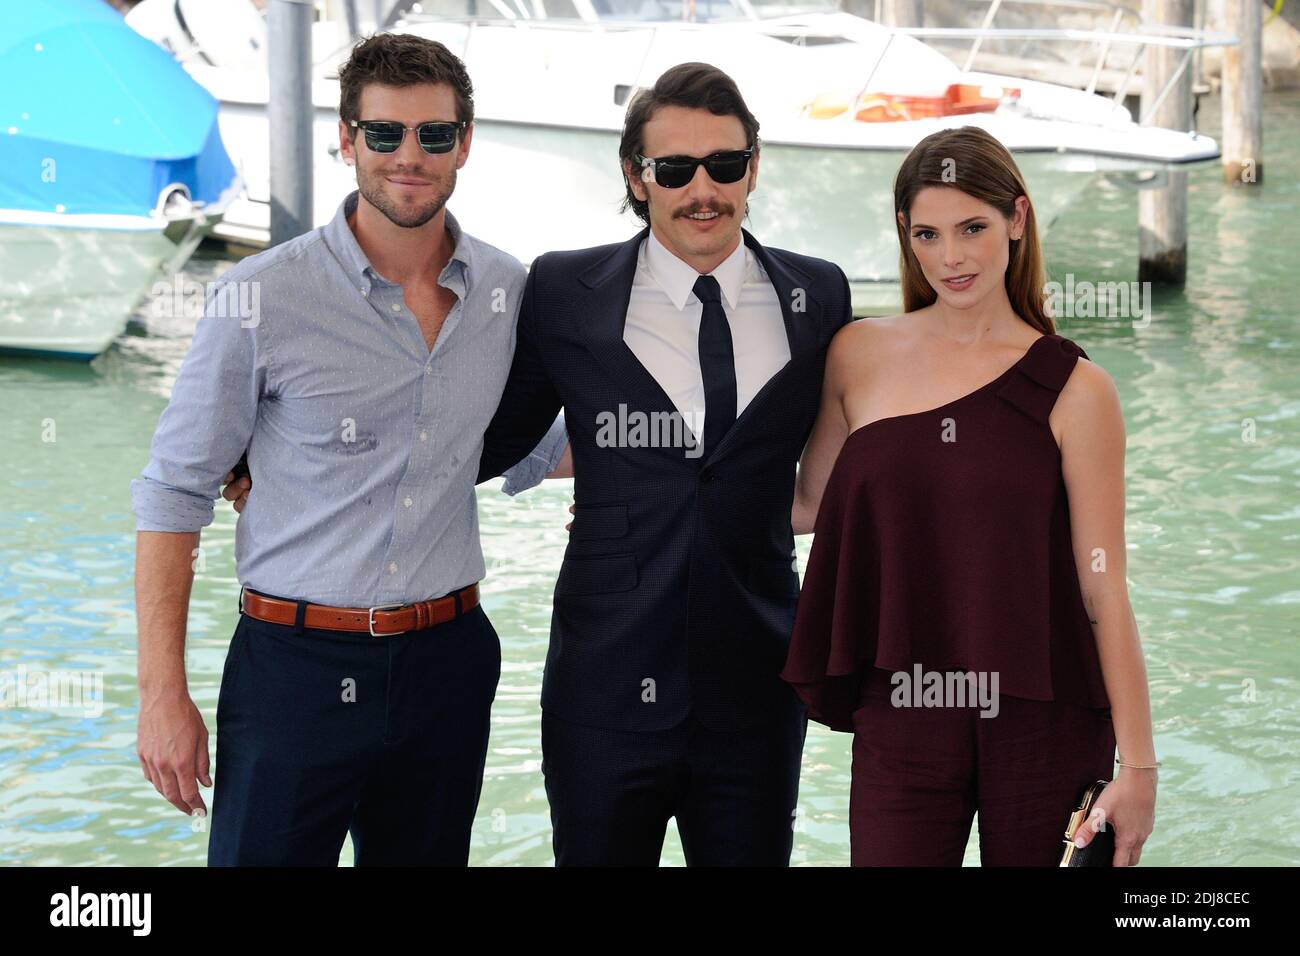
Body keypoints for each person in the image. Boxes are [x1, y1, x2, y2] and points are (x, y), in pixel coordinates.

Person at [132, 33, 566, 866]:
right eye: (385, 134)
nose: (411, 156)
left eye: (435, 135)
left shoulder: (509, 291)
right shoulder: (259, 295)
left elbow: (510, 441)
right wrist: (163, 695)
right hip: (292, 668)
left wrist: (672, 459)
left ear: (464, 144)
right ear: (347, 139)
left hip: (449, 663)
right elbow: (174, 492)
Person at [472, 62, 853, 865]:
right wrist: (292, 457)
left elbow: (864, 446)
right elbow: (486, 434)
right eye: (673, 169)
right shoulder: (566, 288)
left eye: (724, 163)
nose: (702, 189)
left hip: (755, 691)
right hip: (603, 693)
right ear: (636, 177)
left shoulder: (818, 296)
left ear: (754, 165)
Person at [782, 125, 1158, 866]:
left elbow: (1103, 585)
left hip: (1045, 713)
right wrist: (640, 496)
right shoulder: (857, 354)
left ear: (1017, 220)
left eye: (973, 228)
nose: (950, 257)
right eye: (928, 232)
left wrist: (1140, 768)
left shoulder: (1079, 390)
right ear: (904, 233)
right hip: (904, 707)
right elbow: (805, 507)